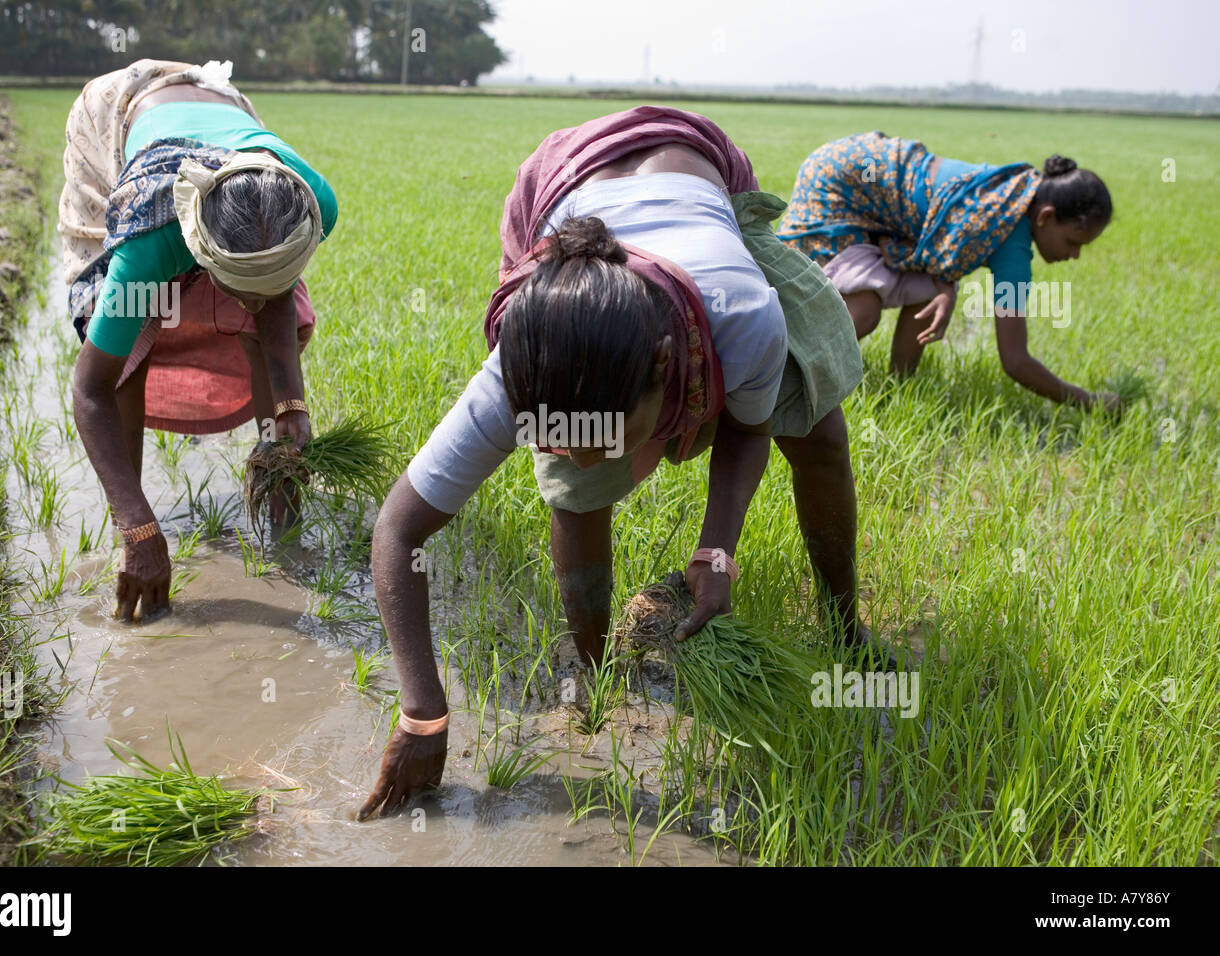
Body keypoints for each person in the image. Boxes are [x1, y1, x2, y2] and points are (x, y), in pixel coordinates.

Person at [359, 106, 869, 819]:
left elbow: (749, 427)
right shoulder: (523, 367)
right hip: (569, 188)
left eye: (601, 436)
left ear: (670, 368)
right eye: (558, 436)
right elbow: (398, 528)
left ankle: (846, 626)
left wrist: (716, 552)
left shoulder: (744, 314)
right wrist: (422, 714)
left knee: (819, 435)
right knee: (576, 491)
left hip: (694, 181)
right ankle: (591, 668)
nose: (583, 453)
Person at [59, 59, 338, 622]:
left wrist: (291, 405)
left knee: (265, 327)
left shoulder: (310, 202)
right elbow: (91, 388)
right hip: (115, 114)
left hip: (222, 113)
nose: (255, 307)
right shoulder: (150, 240)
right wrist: (136, 525)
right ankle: (134, 534)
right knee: (127, 351)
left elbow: (276, 296)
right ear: (204, 255)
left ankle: (283, 522)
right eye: (240, 290)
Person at [778, 131, 1117, 409]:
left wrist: (945, 288)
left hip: (859, 169)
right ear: (1045, 217)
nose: (1074, 255)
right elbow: (1015, 361)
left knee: (930, 291)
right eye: (1074, 242)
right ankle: (784, 377)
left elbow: (942, 245)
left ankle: (898, 389)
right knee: (864, 310)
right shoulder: (1013, 248)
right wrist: (1088, 401)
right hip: (839, 184)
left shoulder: (1012, 188)